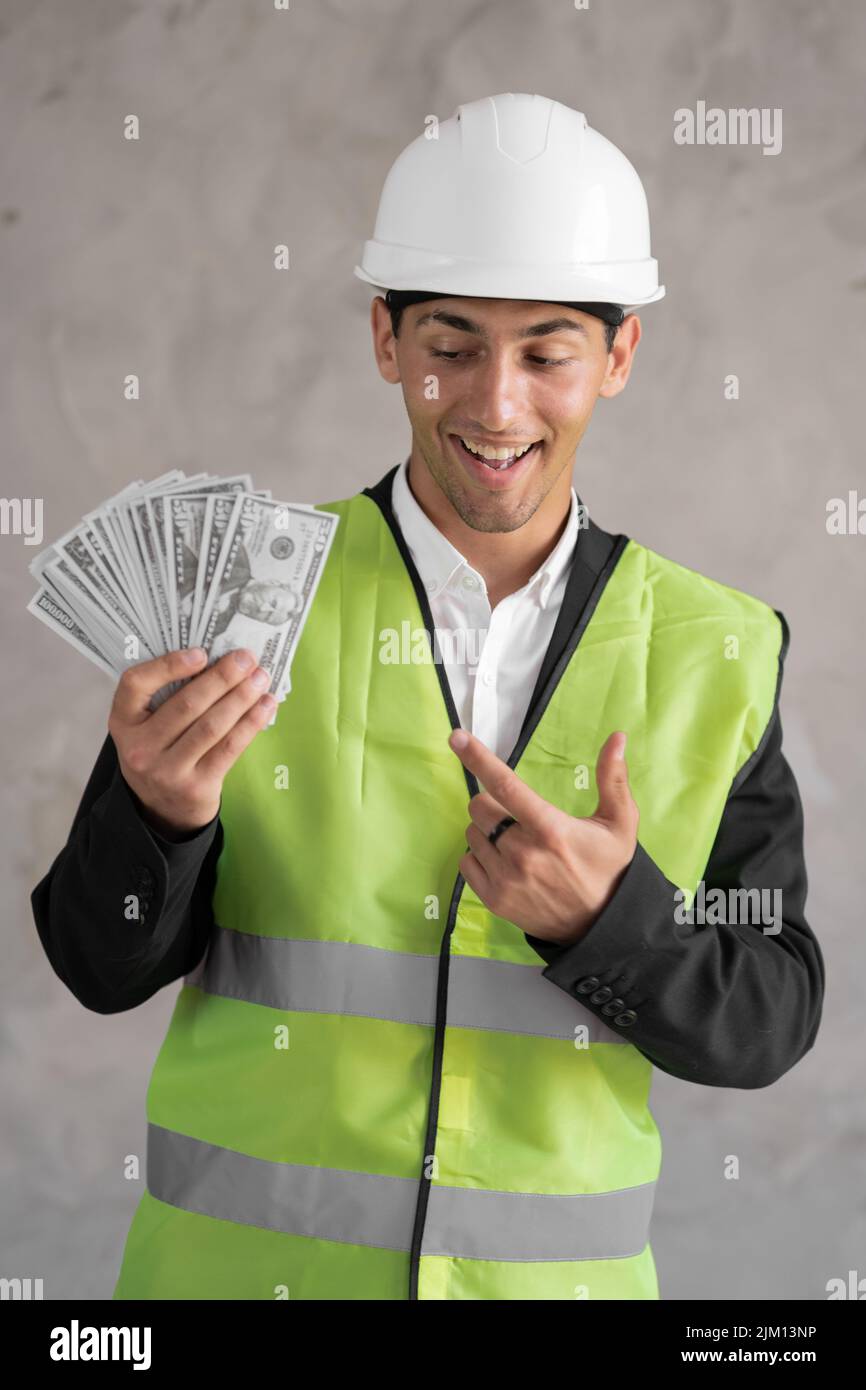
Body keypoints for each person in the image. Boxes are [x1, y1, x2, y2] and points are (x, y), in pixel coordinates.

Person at [31, 93, 824, 1301]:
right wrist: (154, 817)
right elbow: (98, 965)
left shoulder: (719, 652)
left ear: (617, 356)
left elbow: (767, 1019)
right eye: (450, 347)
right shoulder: (242, 599)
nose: (494, 405)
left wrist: (607, 921)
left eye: (546, 352)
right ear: (384, 341)